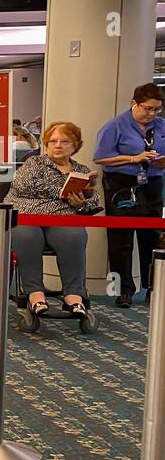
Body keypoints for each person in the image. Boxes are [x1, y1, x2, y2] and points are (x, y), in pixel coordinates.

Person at [5, 121, 99, 318]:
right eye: (53, 141)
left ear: (75, 146)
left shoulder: (81, 170)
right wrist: (64, 193)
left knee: (75, 235)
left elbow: (93, 203)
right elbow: (24, 186)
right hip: (27, 215)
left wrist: (81, 203)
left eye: (64, 141)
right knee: (27, 237)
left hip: (62, 218)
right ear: (46, 144)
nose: (58, 145)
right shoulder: (35, 163)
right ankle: (35, 293)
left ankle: (74, 295)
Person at [93, 82, 165, 307]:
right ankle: (121, 290)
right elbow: (100, 157)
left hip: (152, 182)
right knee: (120, 240)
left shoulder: (161, 125)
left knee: (152, 238)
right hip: (121, 183)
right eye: (147, 108)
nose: (151, 114)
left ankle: (152, 288)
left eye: (157, 109)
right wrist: (133, 158)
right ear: (135, 103)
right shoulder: (115, 126)